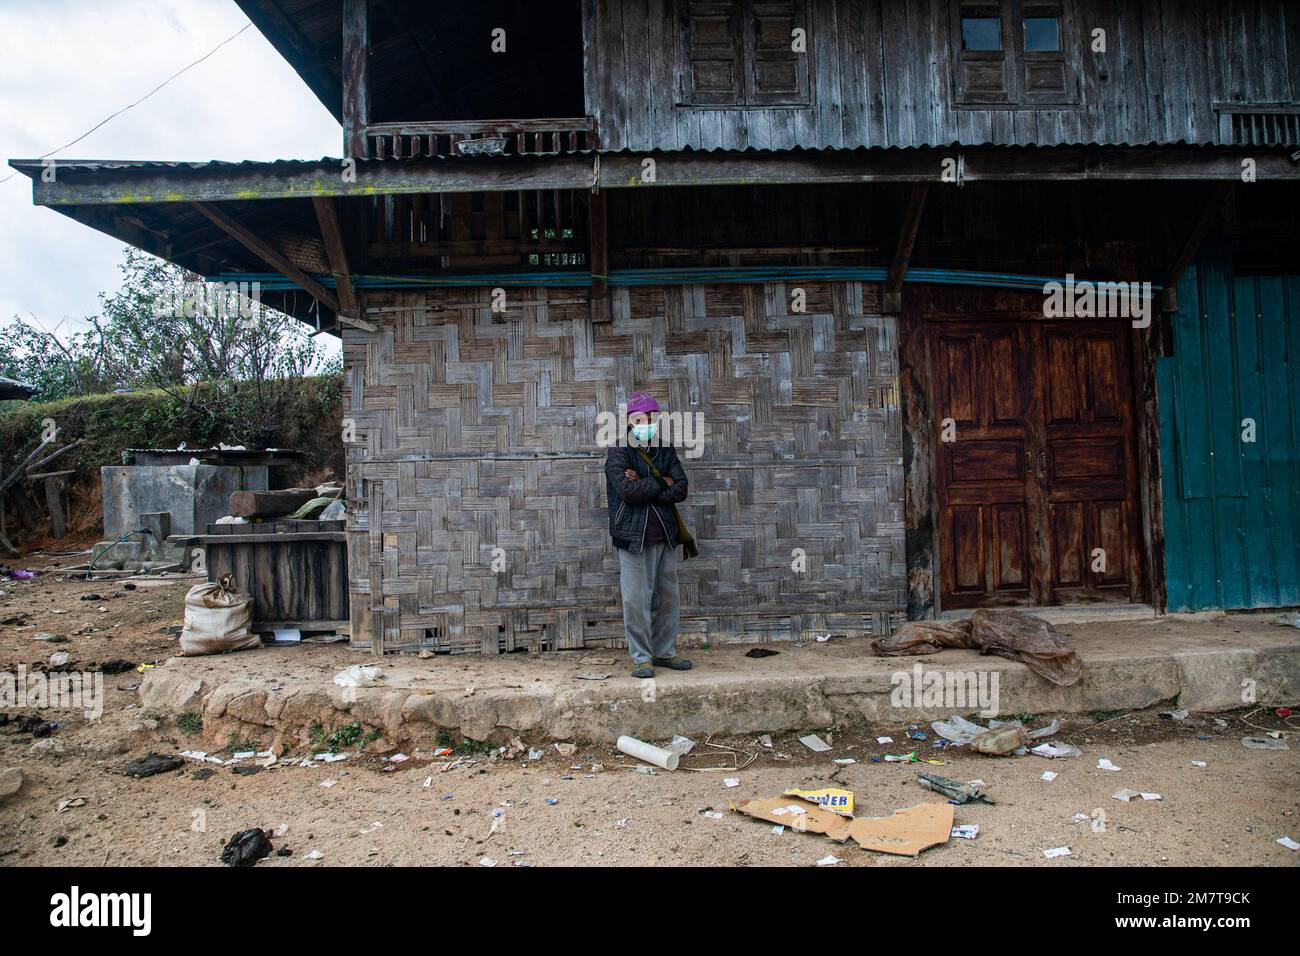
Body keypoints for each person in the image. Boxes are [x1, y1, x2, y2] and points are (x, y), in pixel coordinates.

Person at [604, 392, 693, 678]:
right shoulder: (619, 451)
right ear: (631, 420)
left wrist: (645, 482)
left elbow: (681, 488)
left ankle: (664, 652)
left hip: (665, 534)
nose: (649, 423)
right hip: (633, 537)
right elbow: (627, 492)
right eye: (644, 418)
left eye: (653, 417)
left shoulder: (664, 450)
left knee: (668, 598)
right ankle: (642, 657)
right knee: (636, 600)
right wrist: (660, 481)